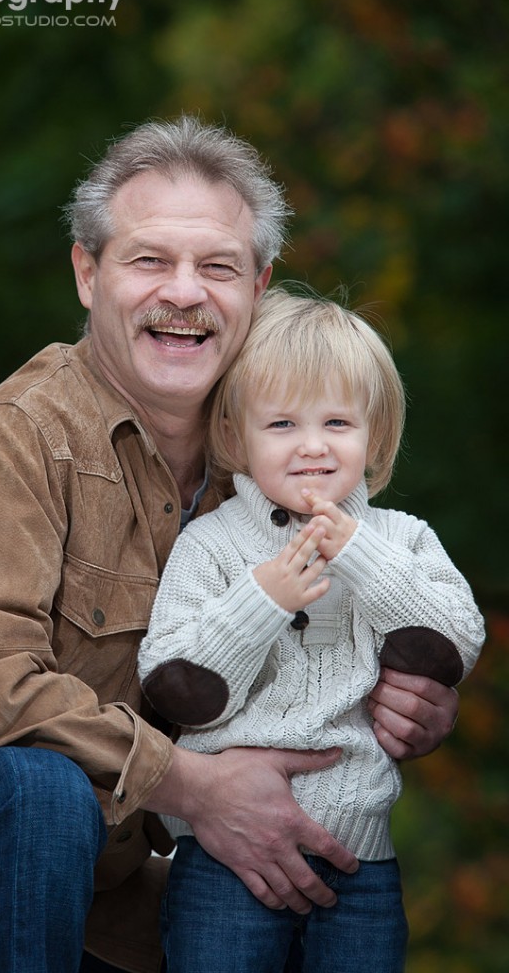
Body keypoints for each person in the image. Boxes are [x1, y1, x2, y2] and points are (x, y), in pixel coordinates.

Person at [0, 118, 460, 973]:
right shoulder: (16, 442)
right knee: (35, 791)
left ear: (259, 289)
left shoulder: (271, 482)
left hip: (80, 891)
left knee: (283, 897)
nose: (184, 293)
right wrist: (192, 786)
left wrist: (407, 693)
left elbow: (360, 635)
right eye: (149, 260)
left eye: (218, 267)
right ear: (89, 274)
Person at [138, 286, 485, 973]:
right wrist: (261, 600)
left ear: (374, 435)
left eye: (337, 423)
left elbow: (454, 644)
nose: (313, 448)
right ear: (236, 437)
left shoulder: (401, 539)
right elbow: (174, 686)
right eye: (283, 425)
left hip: (361, 862)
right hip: (222, 863)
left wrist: (358, 555)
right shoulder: (209, 545)